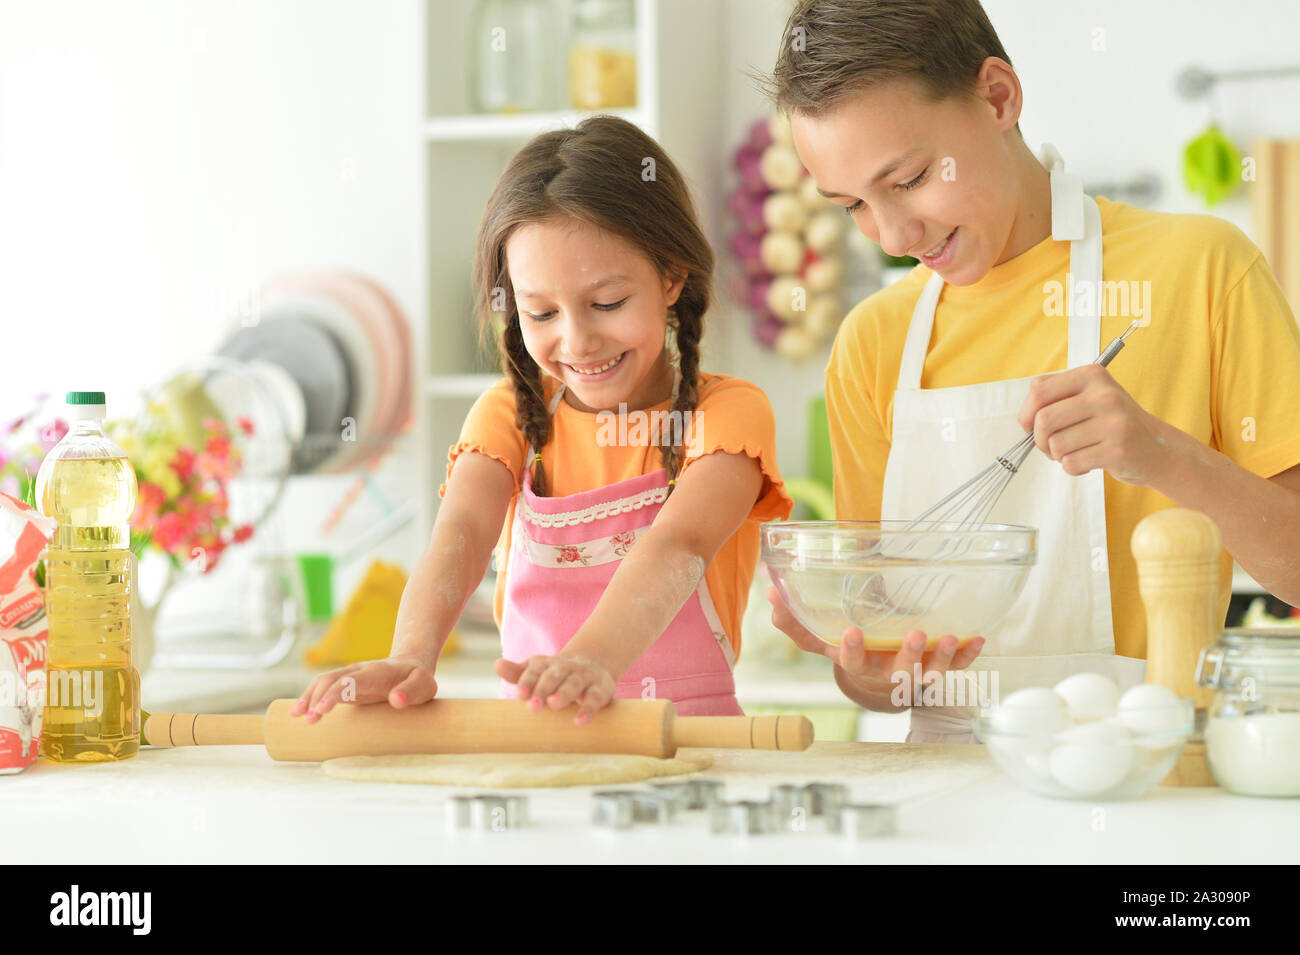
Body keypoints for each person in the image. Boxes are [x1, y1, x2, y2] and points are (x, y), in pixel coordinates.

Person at [764, 0, 1300, 741]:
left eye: (912, 178)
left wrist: (1162, 454)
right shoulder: (872, 342)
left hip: (1156, 789)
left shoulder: (1204, 269)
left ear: (997, 97)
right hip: (946, 809)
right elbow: (884, 664)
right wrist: (862, 668)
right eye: (852, 203)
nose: (892, 235)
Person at [292, 115, 792, 725]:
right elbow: (462, 534)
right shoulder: (508, 416)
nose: (577, 341)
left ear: (671, 276)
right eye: (541, 312)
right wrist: (411, 656)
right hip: (531, 749)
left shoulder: (728, 413)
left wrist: (590, 662)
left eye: (607, 303)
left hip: (684, 750)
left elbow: (679, 546)